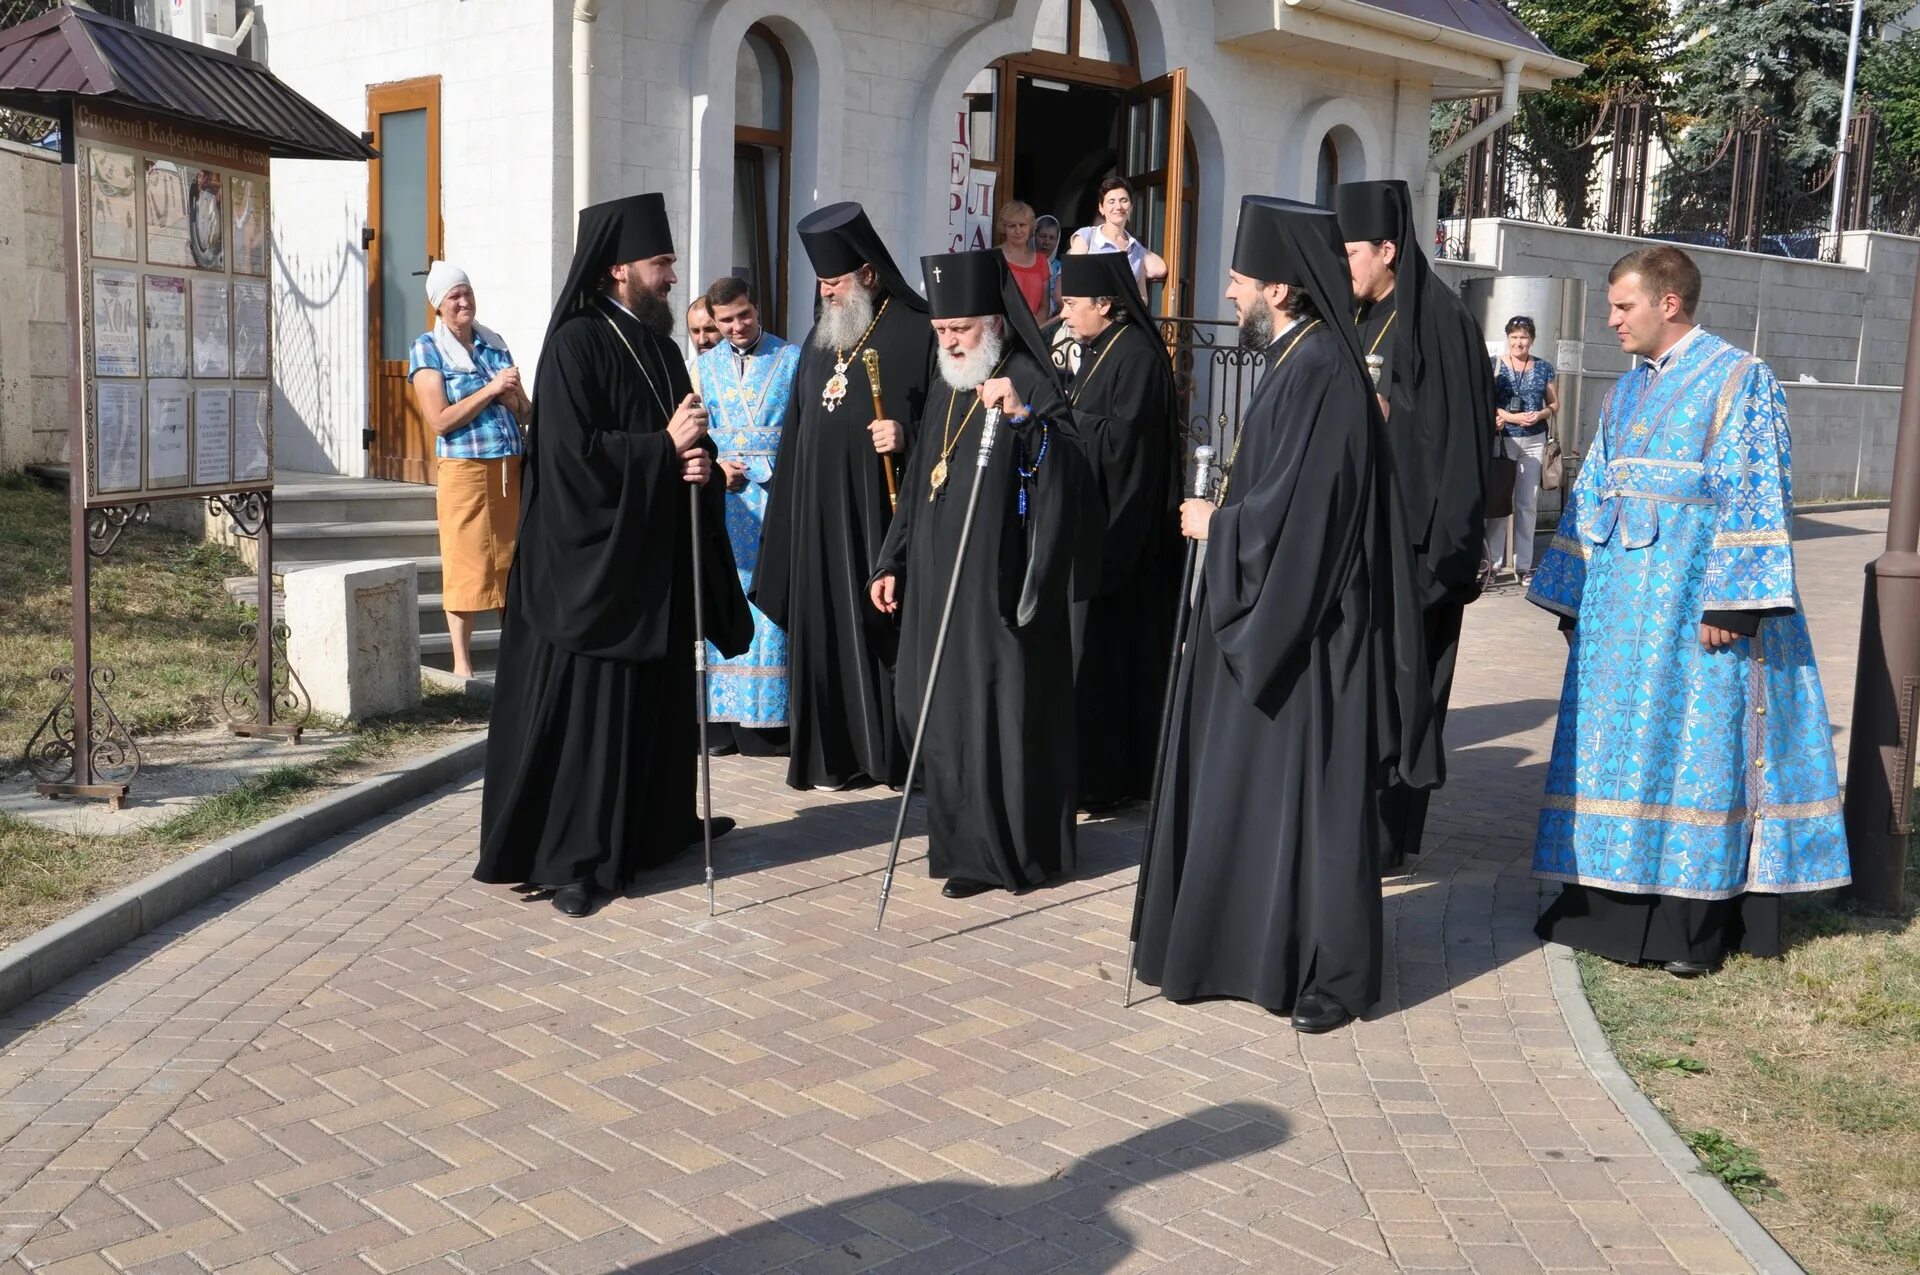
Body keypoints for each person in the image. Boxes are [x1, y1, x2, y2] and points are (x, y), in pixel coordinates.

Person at [1130, 196, 1437, 1035]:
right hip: (1273, 626)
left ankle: (1326, 974)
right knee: (1256, 799)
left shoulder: (1323, 372)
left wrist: (1216, 526)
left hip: (1307, 640)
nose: (1228, 295)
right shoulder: (1295, 359)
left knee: (1315, 812)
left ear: (1280, 287)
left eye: (1235, 282)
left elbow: (1305, 521)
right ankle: (1239, 949)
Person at [1528, 246, 1849, 975]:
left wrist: (1733, 603)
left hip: (1693, 612)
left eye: (1622, 306)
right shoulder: (1625, 391)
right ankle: (1605, 910)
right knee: (1615, 756)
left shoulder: (1741, 379)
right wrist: (1575, 596)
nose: (1611, 320)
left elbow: (1759, 487)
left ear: (1668, 303)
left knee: (1694, 757)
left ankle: (1689, 923)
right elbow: (1592, 495)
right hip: (1619, 617)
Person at [475, 193, 753, 917]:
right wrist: (661, 449)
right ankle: (575, 860)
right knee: (591, 724)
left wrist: (696, 463)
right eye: (660, 264)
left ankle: (657, 829)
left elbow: (684, 440)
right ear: (618, 266)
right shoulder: (575, 344)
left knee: (657, 716)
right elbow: (569, 460)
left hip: (649, 567)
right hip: (588, 576)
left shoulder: (661, 347)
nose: (670, 277)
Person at [868, 249, 1088, 897]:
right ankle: (960, 843)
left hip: (998, 585)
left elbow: (1070, 470)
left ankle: (1006, 852)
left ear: (993, 322)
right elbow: (916, 487)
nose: (950, 342)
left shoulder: (1026, 376)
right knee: (937, 711)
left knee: (994, 715)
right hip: (938, 585)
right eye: (941, 332)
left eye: (959, 330)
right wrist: (892, 558)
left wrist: (1024, 419)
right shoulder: (947, 381)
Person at [1335, 178, 1495, 874]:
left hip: (1419, 554)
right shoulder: (1361, 315)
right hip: (1364, 548)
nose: (1345, 267)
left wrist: (1446, 560)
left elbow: (1459, 446)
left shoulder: (1441, 321)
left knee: (1405, 700)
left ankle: (1386, 839)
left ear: (1389, 249)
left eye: (1351, 253)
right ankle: (1361, 830)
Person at [754, 202, 934, 791]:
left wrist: (906, 436)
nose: (826, 293)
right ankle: (833, 755)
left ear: (869, 275)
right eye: (822, 283)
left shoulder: (918, 329)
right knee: (824, 629)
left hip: (879, 516)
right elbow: (798, 425)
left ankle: (892, 754)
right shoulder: (819, 339)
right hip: (818, 517)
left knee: (881, 630)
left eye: (834, 281)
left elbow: (948, 422)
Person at [1057, 251, 1177, 810]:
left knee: (1114, 663)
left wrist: (1059, 420)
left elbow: (1125, 445)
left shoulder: (1139, 357)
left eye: (1072, 304)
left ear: (1105, 304)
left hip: (1126, 538)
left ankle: (1116, 781)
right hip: (1096, 526)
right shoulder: (1098, 350)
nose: (1064, 314)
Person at [407, 262, 531, 681]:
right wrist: (492, 390)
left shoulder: (494, 343)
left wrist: (514, 399)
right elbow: (440, 420)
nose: (464, 301)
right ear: (438, 306)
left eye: (467, 292)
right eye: (454, 296)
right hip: (464, 469)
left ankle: (516, 657)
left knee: (513, 562)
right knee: (464, 563)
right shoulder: (428, 347)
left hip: (509, 467)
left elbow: (526, 412)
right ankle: (463, 665)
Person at [694, 276, 800, 759]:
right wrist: (715, 466)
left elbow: (803, 433)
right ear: (713, 322)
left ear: (758, 309)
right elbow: (695, 431)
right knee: (723, 594)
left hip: (774, 502)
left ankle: (767, 725)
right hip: (725, 503)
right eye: (726, 320)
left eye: (745, 315)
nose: (738, 326)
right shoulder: (703, 367)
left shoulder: (792, 359)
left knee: (769, 602)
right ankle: (720, 720)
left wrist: (770, 467)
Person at [1485, 315, 1559, 583]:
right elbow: (1486, 402)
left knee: (1527, 504)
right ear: (1508, 338)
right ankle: (1491, 564)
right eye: (1515, 337)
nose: (1519, 342)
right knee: (1499, 502)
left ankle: (1523, 566)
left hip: (1534, 440)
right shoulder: (1494, 366)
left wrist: (1540, 414)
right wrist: (1511, 416)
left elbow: (1554, 404)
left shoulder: (1544, 367)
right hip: (1503, 440)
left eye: (1524, 337)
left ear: (1532, 339)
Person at [1068, 177, 1168, 291]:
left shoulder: (1135, 248)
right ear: (1101, 208)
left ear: (1131, 207)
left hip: (1126, 308)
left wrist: (1134, 244)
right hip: (1092, 307)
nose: (1118, 207)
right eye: (1111, 201)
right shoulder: (1086, 236)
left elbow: (1159, 270)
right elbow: (1071, 286)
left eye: (1124, 200)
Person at [996, 199, 1052, 322]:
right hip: (1002, 332)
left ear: (1030, 227)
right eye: (1012, 226)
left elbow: (1045, 305)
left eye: (1022, 225)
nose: (1018, 230)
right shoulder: (994, 257)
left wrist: (1033, 329)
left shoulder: (1041, 260)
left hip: (1034, 332)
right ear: (1004, 228)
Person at [1035, 214, 1064, 315]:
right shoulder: (1024, 263)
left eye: (1052, 238)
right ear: (1033, 236)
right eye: (1042, 236)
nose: (1046, 242)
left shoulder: (1061, 268)